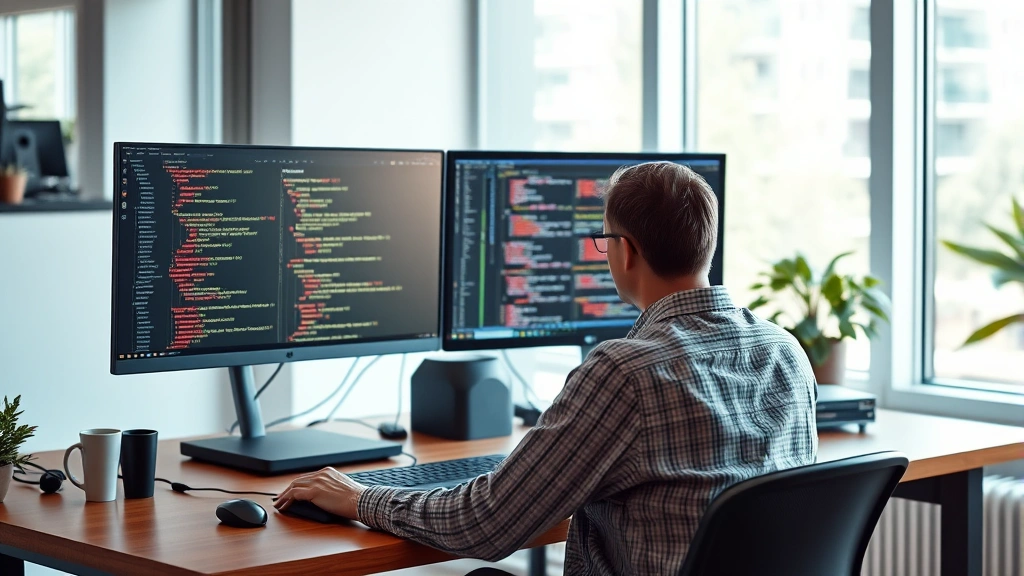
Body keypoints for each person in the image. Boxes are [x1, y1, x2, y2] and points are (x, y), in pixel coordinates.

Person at [275, 161, 818, 574]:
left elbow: (486, 523)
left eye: (603, 240)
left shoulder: (626, 372)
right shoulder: (786, 351)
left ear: (624, 252)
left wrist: (360, 497)